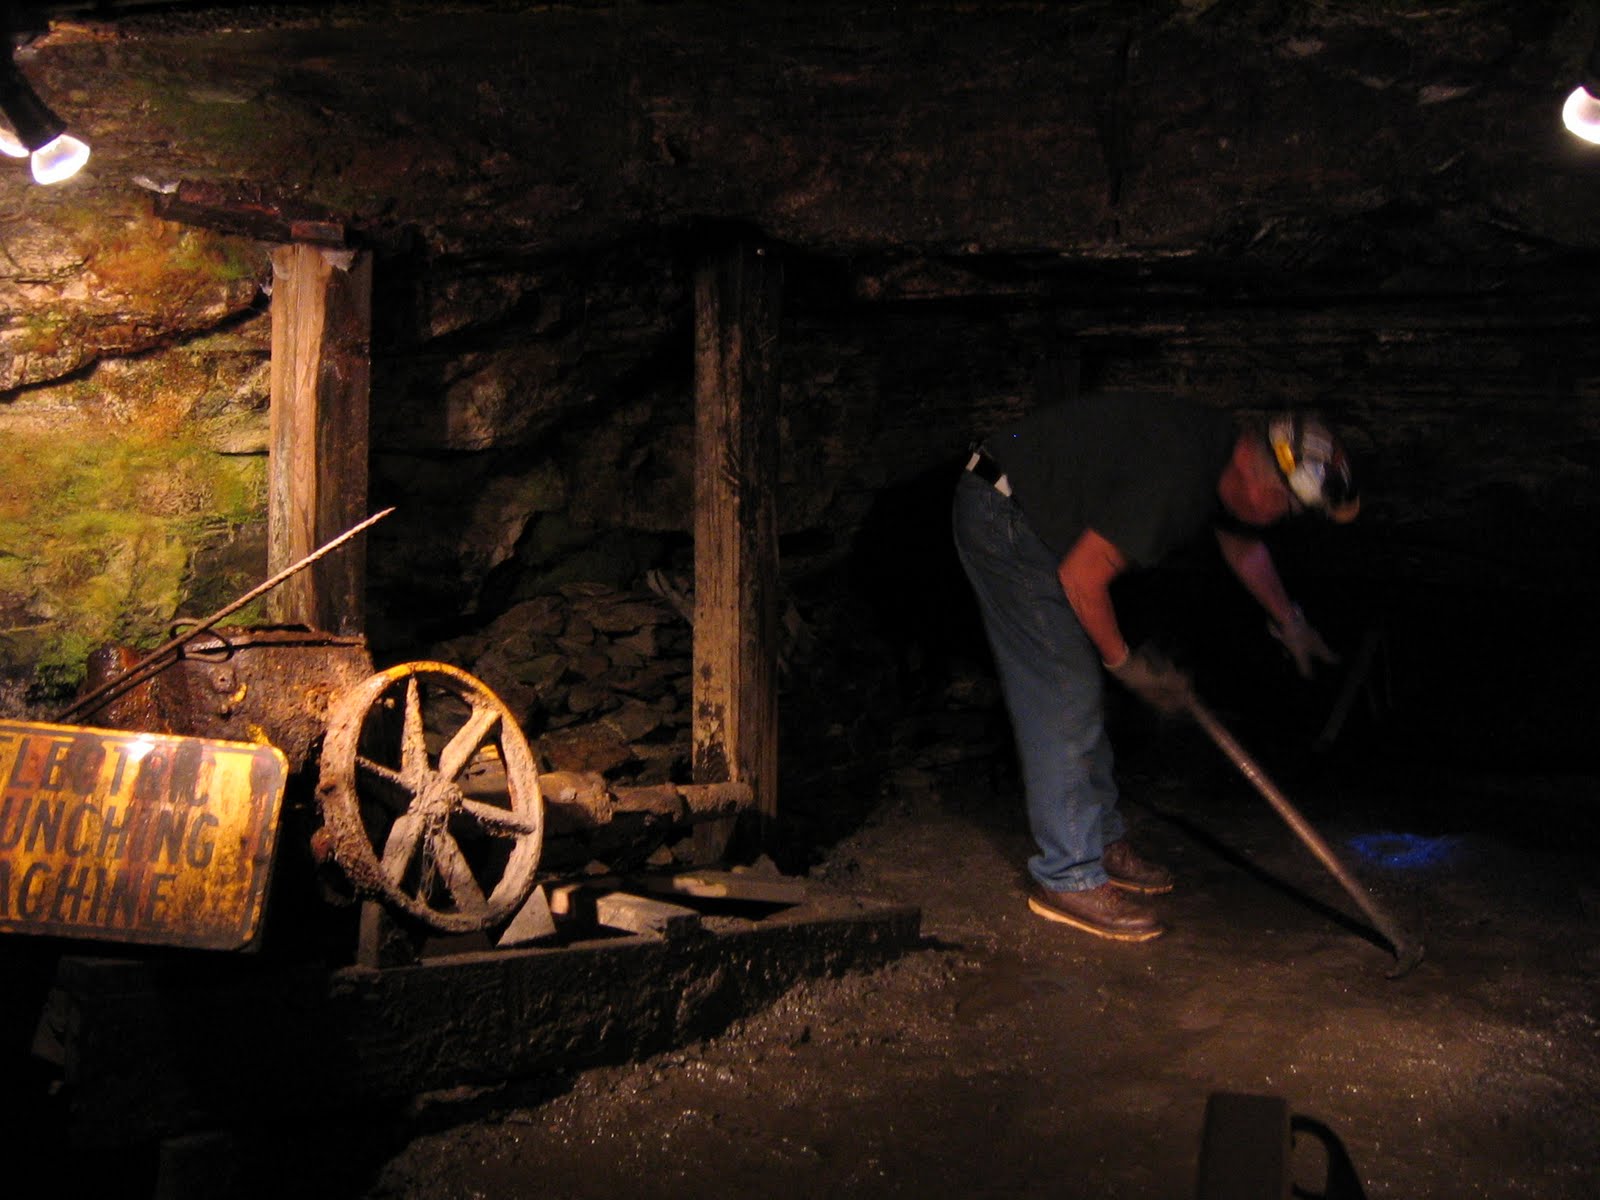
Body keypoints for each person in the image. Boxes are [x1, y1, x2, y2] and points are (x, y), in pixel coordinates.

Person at [951, 391, 1358, 942]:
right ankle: (1068, 874)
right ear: (1257, 474)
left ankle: (1097, 838)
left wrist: (1289, 619)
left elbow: (1243, 545)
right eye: (1286, 505)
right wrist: (1128, 665)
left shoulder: (1226, 459)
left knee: (1077, 686)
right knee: (1064, 690)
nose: (1284, 517)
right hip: (1007, 515)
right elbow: (1082, 578)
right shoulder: (1177, 475)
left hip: (1051, 522)